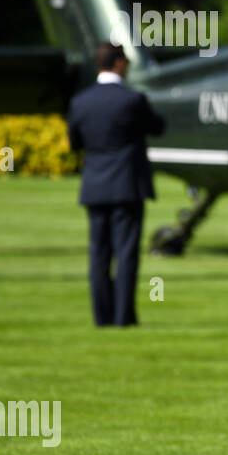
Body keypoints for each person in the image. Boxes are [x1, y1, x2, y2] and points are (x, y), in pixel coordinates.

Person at [67, 43, 166, 327]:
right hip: (126, 185)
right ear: (119, 63)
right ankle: (124, 317)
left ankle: (102, 317)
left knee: (98, 254)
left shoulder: (80, 102)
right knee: (126, 253)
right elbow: (157, 127)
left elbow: (75, 142)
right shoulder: (132, 99)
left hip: (95, 186)